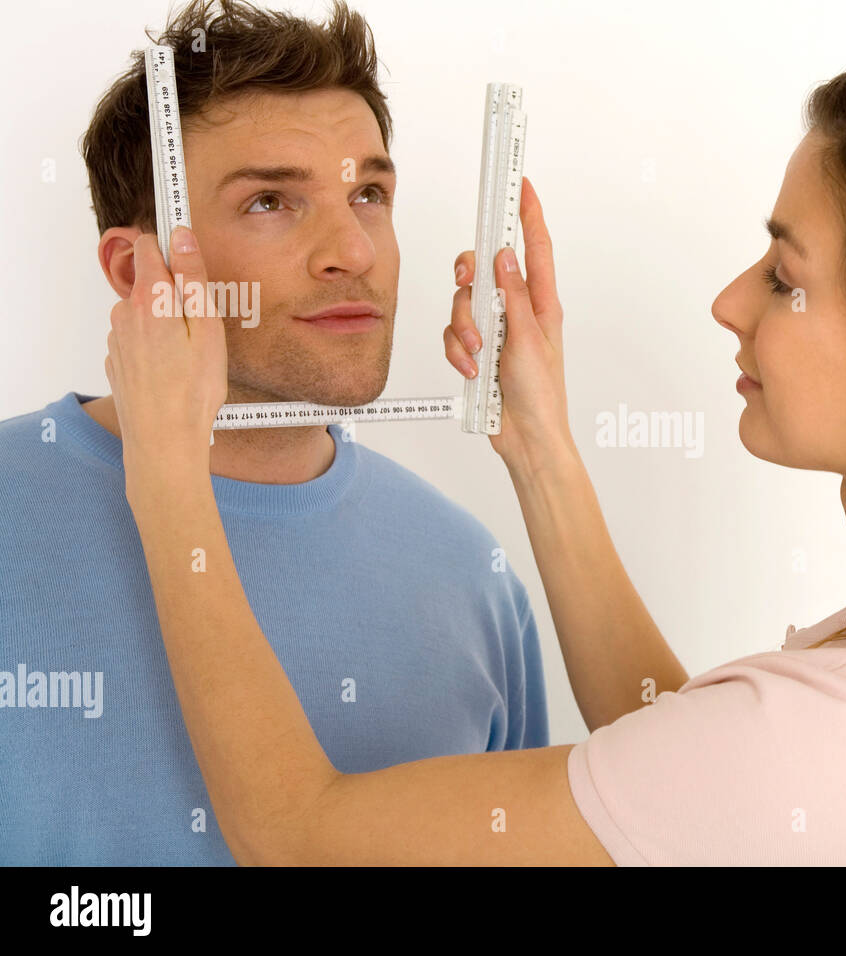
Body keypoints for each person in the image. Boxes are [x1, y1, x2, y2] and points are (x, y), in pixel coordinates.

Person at [102, 44, 846, 865]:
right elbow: (698, 787)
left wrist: (165, 473)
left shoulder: (843, 731)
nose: (730, 304)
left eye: (784, 275)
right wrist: (545, 450)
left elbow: (298, 834)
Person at [0, 0, 549, 865]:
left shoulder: (472, 580)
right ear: (133, 270)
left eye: (368, 193)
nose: (353, 252)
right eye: (270, 202)